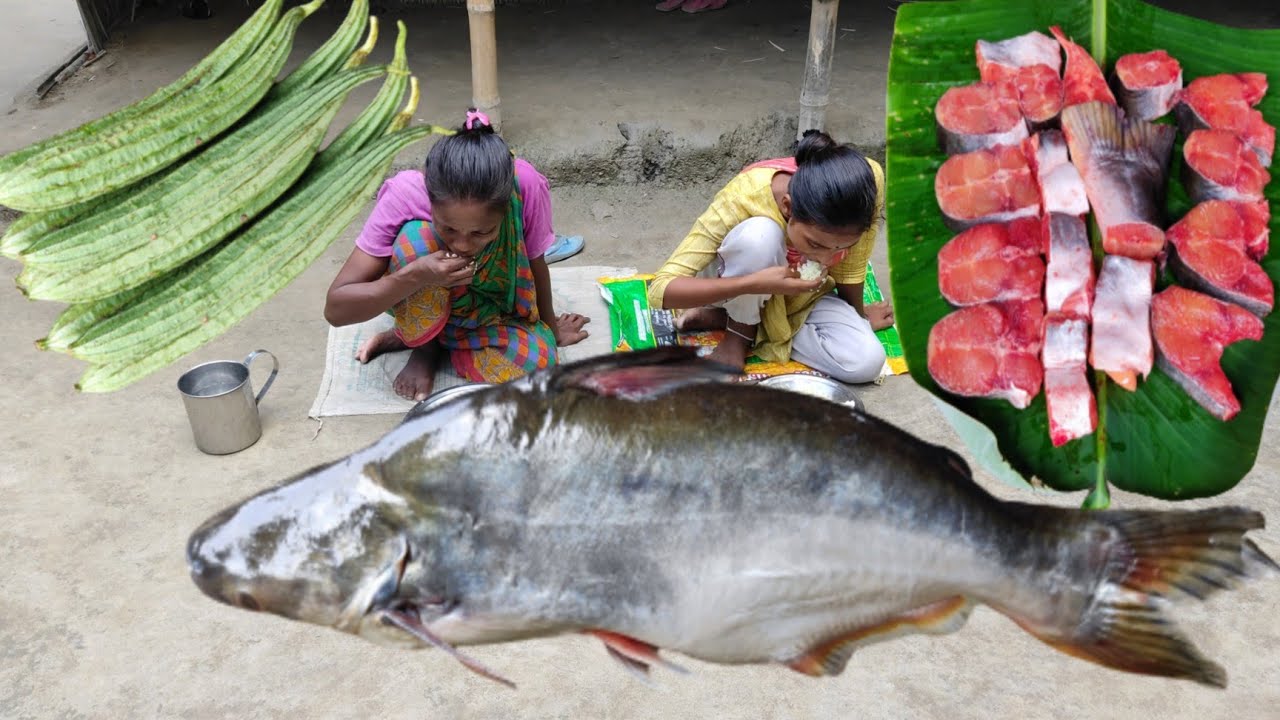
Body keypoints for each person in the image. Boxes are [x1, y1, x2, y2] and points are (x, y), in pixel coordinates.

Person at [324, 109, 590, 401]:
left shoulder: (524, 185)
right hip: (420, 296)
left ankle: (436, 340)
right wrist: (417, 275)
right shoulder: (405, 194)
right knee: (416, 240)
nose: (463, 245)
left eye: (482, 232)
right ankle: (424, 347)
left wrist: (551, 331)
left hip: (491, 313)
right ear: (430, 196)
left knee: (539, 366)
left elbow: (536, 264)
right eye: (448, 228)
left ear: (505, 208)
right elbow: (336, 308)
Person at [647, 129, 894, 384]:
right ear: (788, 207)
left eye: (841, 248)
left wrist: (859, 319)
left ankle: (734, 322)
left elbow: (852, 266)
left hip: (798, 301)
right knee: (759, 237)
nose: (826, 259)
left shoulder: (865, 182)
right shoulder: (744, 196)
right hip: (734, 285)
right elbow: (660, 290)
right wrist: (754, 284)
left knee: (866, 363)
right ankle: (738, 335)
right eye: (815, 243)